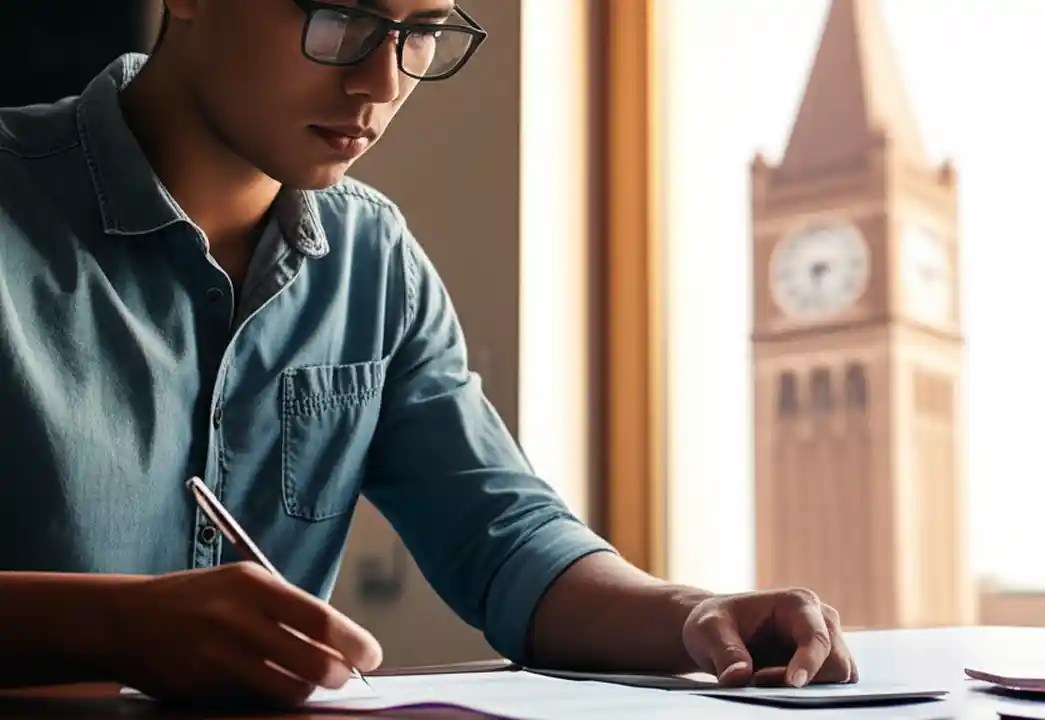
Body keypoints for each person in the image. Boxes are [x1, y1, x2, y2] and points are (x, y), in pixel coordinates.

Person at [0, 0, 856, 707]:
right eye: (340, 19)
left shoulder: (371, 260)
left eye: (423, 31)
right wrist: (116, 627)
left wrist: (694, 613)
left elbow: (508, 539)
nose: (383, 81)